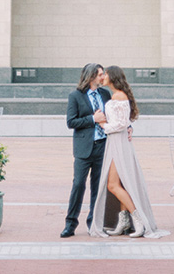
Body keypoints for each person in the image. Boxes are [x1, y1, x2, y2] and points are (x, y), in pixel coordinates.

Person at [89, 65, 167, 239]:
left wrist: (102, 125)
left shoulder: (119, 97)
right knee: (120, 183)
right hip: (115, 141)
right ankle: (123, 221)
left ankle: (138, 219)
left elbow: (120, 124)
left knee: (112, 185)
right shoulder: (115, 95)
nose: (103, 77)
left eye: (106, 74)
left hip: (118, 142)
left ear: (113, 77)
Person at [61, 63, 111, 238]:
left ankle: (94, 224)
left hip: (102, 147)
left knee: (98, 188)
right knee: (78, 185)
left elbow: (112, 117)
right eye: (99, 74)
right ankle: (70, 224)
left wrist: (127, 127)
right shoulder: (75, 96)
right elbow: (71, 122)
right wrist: (92, 119)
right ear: (90, 76)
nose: (102, 76)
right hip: (83, 149)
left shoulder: (105, 94)